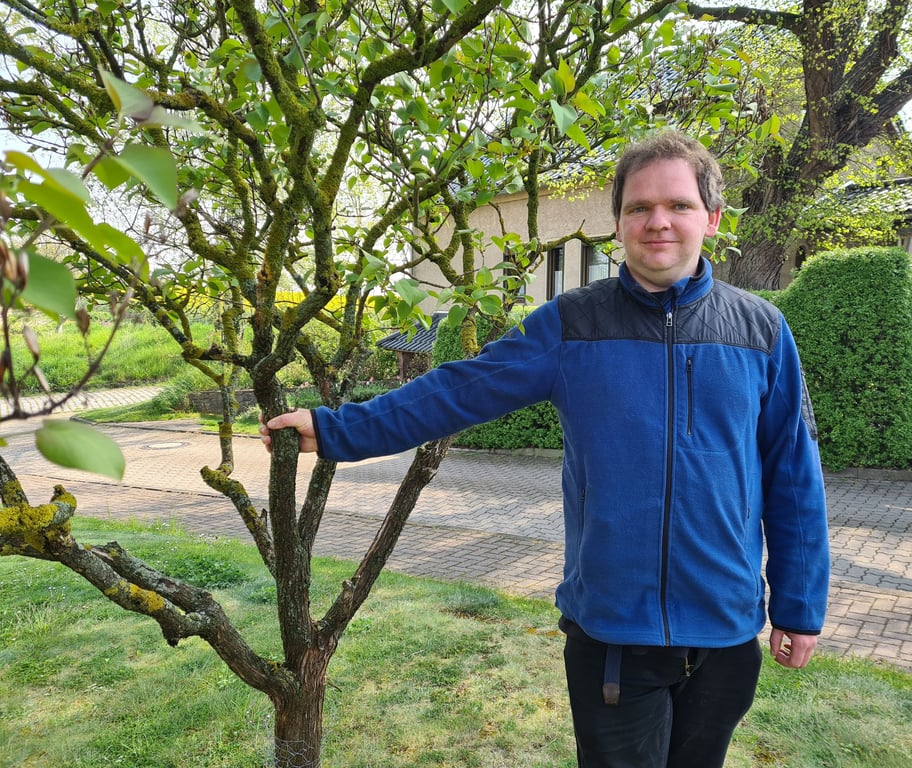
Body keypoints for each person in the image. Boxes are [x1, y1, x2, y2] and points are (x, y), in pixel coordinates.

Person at [261, 131, 830, 768]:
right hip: (613, 636)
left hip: (725, 635)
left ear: (713, 219)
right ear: (618, 225)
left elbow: (795, 477)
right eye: (638, 208)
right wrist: (340, 429)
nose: (658, 221)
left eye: (677, 205)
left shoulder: (761, 332)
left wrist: (799, 606)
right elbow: (461, 388)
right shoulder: (571, 325)